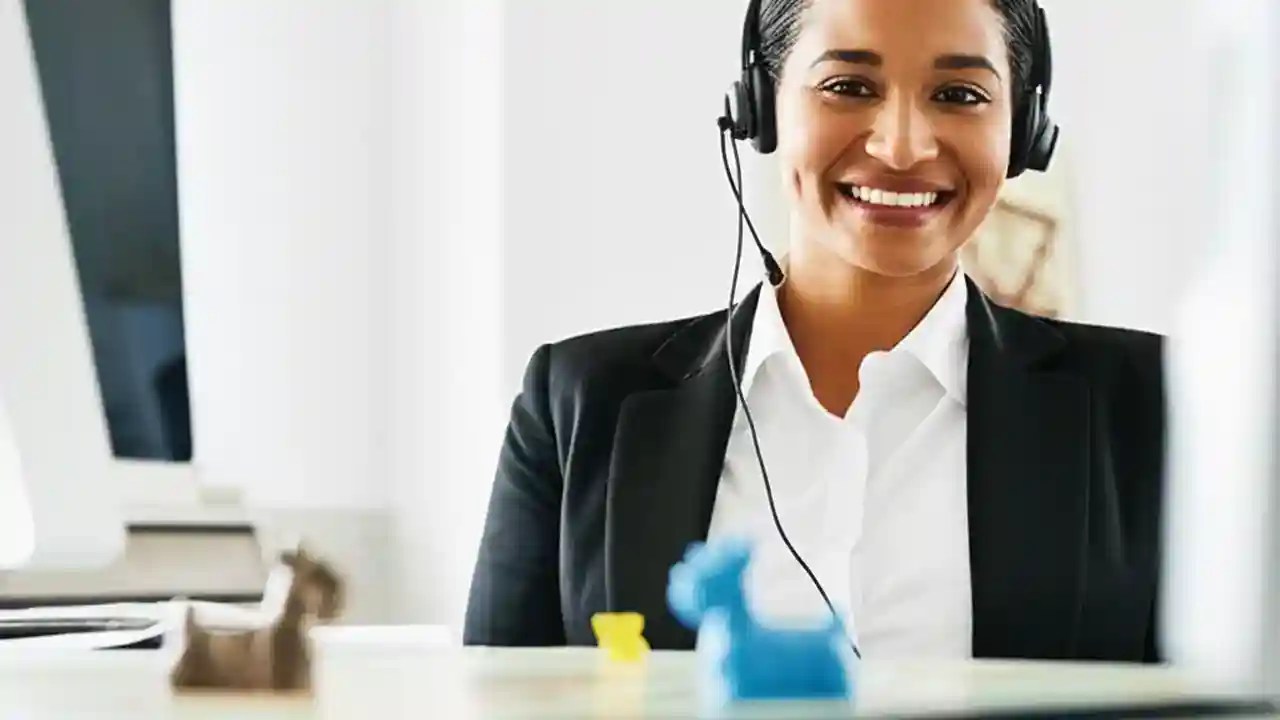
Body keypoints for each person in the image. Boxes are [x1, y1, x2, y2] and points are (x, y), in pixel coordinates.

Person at [464, 0, 1164, 662]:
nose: (901, 146)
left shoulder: (1153, 406)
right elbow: (495, 699)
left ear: (1024, 129)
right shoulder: (582, 400)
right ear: (760, 107)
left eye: (959, 94)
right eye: (848, 87)